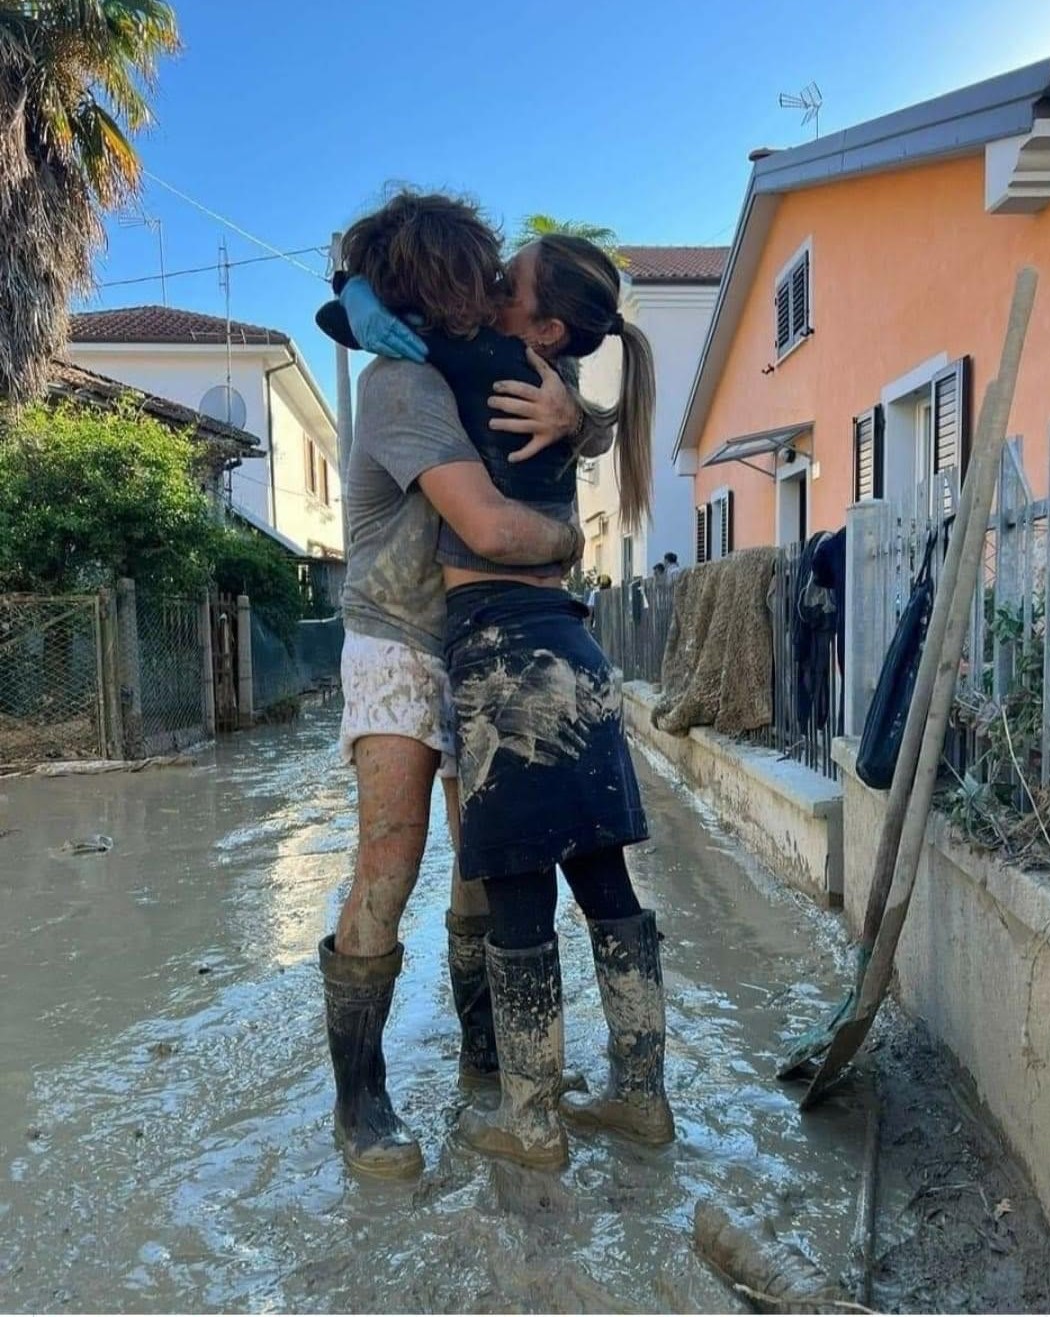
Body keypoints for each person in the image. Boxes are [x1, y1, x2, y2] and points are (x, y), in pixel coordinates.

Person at [326, 208, 676, 1171]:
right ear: (435, 287)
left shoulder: (486, 363)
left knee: (489, 869)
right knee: (390, 865)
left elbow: (564, 407)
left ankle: (496, 1069)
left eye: (498, 279)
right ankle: (362, 1104)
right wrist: (573, 545)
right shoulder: (403, 379)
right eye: (475, 277)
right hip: (403, 642)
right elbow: (487, 525)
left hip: (486, 647)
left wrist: (584, 416)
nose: (487, 292)